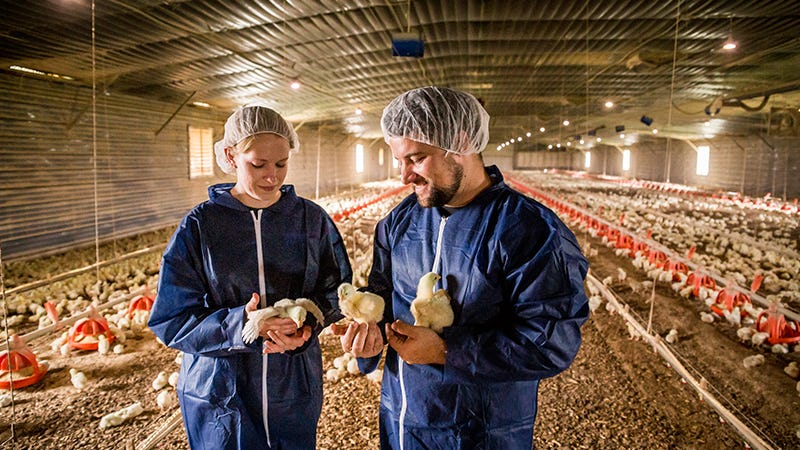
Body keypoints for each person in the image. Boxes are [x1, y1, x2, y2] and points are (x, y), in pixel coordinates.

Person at [338, 86, 590, 449]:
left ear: (461, 142)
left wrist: (445, 351)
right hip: (402, 423)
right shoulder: (398, 223)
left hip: (484, 434)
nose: (404, 176)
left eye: (417, 158)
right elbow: (381, 299)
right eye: (400, 161)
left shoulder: (529, 230)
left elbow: (550, 342)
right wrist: (369, 336)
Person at [148, 105, 352, 449]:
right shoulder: (201, 226)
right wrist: (241, 325)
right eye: (258, 164)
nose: (272, 175)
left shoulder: (311, 220)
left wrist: (306, 324)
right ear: (230, 156)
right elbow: (170, 319)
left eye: (281, 164)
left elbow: (337, 290)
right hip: (220, 391)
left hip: (293, 382)